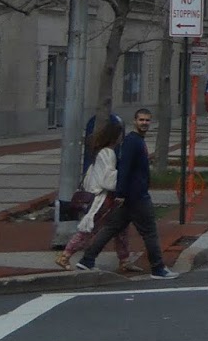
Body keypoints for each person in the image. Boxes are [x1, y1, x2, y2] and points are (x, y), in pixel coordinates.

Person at [74, 108, 176, 279]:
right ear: (135, 121)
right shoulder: (133, 142)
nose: (144, 123)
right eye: (141, 120)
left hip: (129, 197)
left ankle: (87, 260)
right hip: (136, 196)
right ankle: (158, 268)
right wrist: (121, 193)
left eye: (147, 120)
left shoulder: (136, 141)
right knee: (150, 232)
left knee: (111, 228)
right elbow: (124, 168)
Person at [56, 117, 140, 273]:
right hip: (104, 199)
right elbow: (107, 180)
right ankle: (65, 255)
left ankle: (124, 259)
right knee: (90, 230)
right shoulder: (108, 153)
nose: (121, 138)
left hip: (105, 198)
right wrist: (125, 176)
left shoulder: (101, 152)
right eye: (120, 135)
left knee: (120, 229)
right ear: (114, 137)